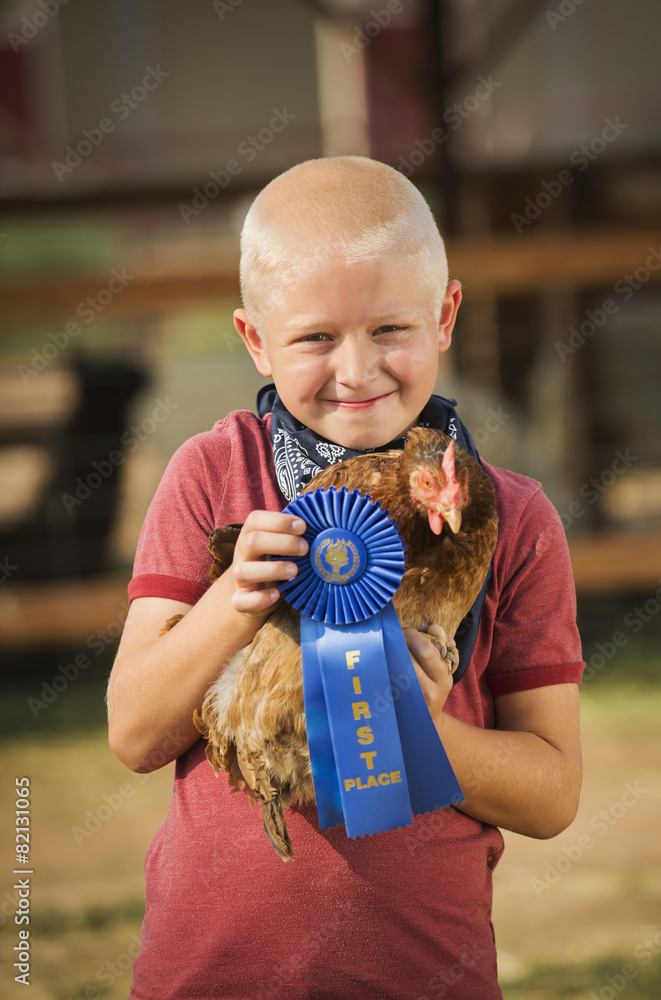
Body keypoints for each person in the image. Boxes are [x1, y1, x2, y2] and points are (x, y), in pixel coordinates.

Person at [107, 155, 584, 1000]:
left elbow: (551, 797)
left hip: (424, 975)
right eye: (316, 337)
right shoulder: (214, 475)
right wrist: (235, 598)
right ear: (255, 338)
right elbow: (135, 733)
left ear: (446, 316)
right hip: (212, 977)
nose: (357, 370)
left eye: (389, 330)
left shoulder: (515, 520)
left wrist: (423, 729)